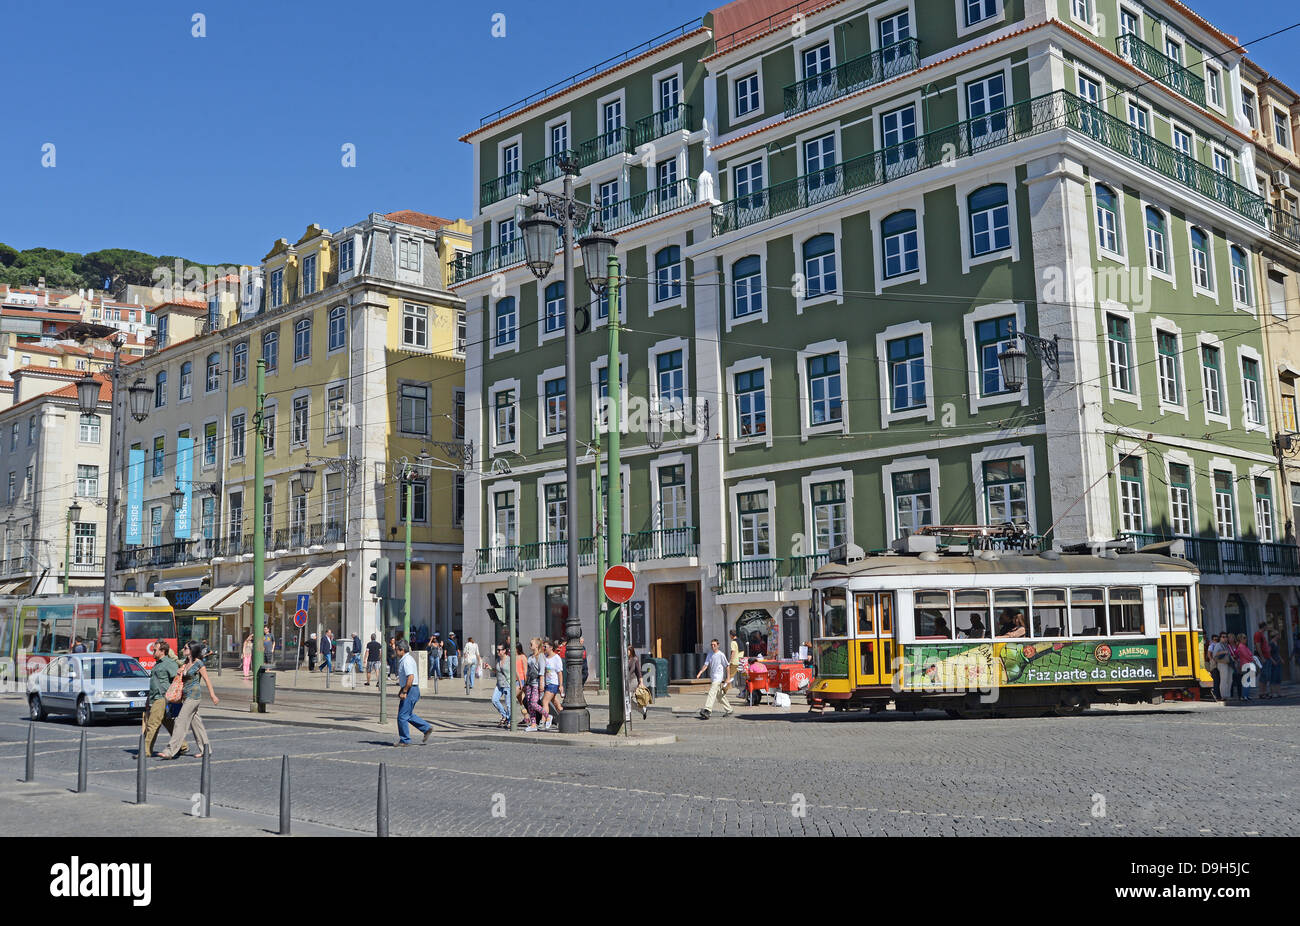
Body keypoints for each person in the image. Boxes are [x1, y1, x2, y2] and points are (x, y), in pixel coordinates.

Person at [160, 641, 219, 759]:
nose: (184, 649)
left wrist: (213, 695)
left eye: (186, 647)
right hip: (186, 696)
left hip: (194, 696)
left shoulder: (199, 663)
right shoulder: (185, 662)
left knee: (180, 721)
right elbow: (176, 661)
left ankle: (170, 751)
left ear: (192, 650)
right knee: (196, 724)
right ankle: (206, 749)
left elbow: (207, 680)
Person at [142, 640, 187, 757]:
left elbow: (177, 679)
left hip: (162, 698)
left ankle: (145, 751)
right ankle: (182, 746)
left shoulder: (169, 663)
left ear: (162, 651)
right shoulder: (158, 663)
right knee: (169, 724)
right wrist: (148, 700)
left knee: (152, 724)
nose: (153, 651)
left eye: (155, 650)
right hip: (155, 698)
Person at [393, 639, 433, 746]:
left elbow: (410, 677)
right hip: (412, 689)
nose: (395, 652)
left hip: (411, 690)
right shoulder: (406, 659)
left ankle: (405, 740)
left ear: (402, 650)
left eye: (396, 650)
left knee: (402, 716)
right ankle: (426, 728)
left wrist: (404, 691)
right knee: (407, 715)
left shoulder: (407, 661)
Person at [695, 639, 732, 720]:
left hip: (718, 677)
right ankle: (729, 709)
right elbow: (706, 664)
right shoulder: (710, 654)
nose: (712, 646)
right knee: (719, 696)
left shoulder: (721, 654)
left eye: (714, 645)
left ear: (718, 645)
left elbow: (727, 665)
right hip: (713, 677)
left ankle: (707, 710)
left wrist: (728, 678)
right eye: (711, 645)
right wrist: (700, 672)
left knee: (711, 692)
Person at [539, 639, 564, 730]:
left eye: (545, 646)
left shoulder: (556, 658)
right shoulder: (544, 657)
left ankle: (543, 720)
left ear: (551, 647)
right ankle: (563, 719)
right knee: (556, 703)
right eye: (543, 646)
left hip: (553, 683)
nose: (543, 648)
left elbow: (560, 672)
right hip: (547, 683)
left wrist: (560, 685)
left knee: (544, 701)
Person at [522, 638, 544, 731]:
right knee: (529, 705)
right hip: (529, 683)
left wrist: (542, 684)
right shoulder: (530, 656)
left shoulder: (541, 656)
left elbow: (542, 671)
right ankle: (533, 724)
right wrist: (525, 683)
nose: (530, 645)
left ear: (537, 645)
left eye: (532, 643)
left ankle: (547, 716)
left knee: (533, 703)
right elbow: (527, 671)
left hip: (536, 683)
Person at [491, 645, 512, 728]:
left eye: (500, 650)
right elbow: (497, 671)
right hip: (499, 684)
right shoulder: (498, 660)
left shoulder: (509, 660)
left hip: (507, 684)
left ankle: (510, 720)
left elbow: (514, 671)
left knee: (508, 704)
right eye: (497, 650)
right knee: (494, 700)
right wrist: (490, 668)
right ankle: (505, 715)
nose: (498, 652)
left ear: (504, 651)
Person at [1210, 632, 1234, 701]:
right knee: (1224, 680)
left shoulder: (1226, 645)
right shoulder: (1218, 645)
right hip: (1222, 663)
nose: (1225, 638)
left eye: (1226, 637)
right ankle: (1223, 695)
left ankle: (1228, 695)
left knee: (1229, 680)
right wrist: (1224, 652)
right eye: (1223, 637)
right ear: (1220, 638)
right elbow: (1214, 655)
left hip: (1228, 664)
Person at [627, 646, 649, 719]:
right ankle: (643, 710)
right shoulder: (624, 659)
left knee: (628, 698)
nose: (626, 652)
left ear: (631, 651)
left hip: (633, 681)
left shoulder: (635, 659)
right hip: (626, 682)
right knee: (629, 700)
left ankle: (627, 715)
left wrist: (641, 682)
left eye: (628, 650)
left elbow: (638, 671)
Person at [1253, 623, 1273, 699]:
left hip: (1266, 657)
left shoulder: (1262, 634)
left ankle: (1264, 692)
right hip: (1263, 657)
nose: (1267, 627)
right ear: (1264, 627)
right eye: (1266, 626)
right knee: (1263, 675)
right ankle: (1261, 693)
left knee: (1266, 675)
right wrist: (1262, 657)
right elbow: (1257, 646)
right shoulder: (1258, 634)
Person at [1235, 634, 1257, 701]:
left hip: (1248, 665)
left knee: (1248, 681)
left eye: (1246, 638)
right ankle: (1244, 696)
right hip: (1245, 665)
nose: (1246, 639)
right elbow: (1246, 655)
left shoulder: (1244, 646)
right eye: (1244, 638)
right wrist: (1252, 659)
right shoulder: (1241, 647)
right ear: (1240, 639)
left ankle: (1246, 695)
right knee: (1246, 681)